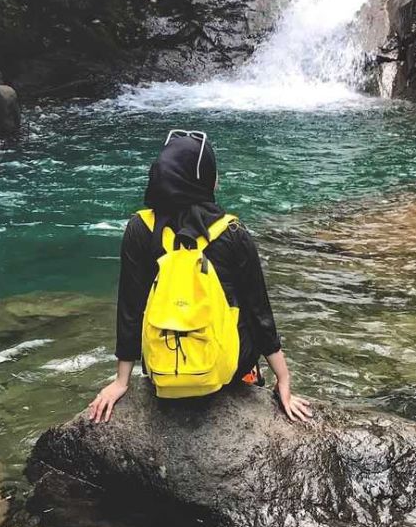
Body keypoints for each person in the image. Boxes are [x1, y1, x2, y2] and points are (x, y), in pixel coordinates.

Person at [88, 129, 312, 424]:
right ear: (205, 180)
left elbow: (130, 309)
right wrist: (283, 379)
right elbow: (260, 312)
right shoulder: (232, 231)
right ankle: (249, 376)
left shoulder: (139, 228)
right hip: (226, 370)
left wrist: (121, 381)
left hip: (163, 371)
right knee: (241, 309)